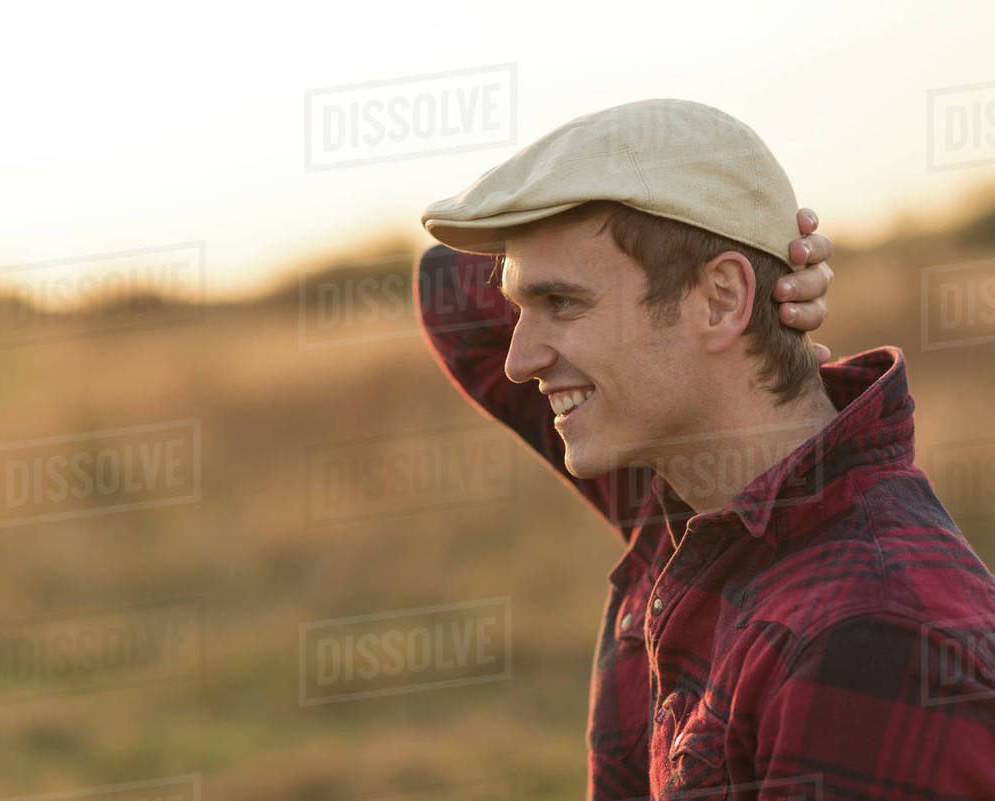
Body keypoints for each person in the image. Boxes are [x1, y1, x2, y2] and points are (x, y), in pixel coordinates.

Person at [416, 99, 995, 800]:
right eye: (520, 305)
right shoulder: (687, 495)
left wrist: (752, 255)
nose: (518, 357)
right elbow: (445, 283)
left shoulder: (875, 637)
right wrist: (759, 250)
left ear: (719, 301)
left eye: (562, 303)